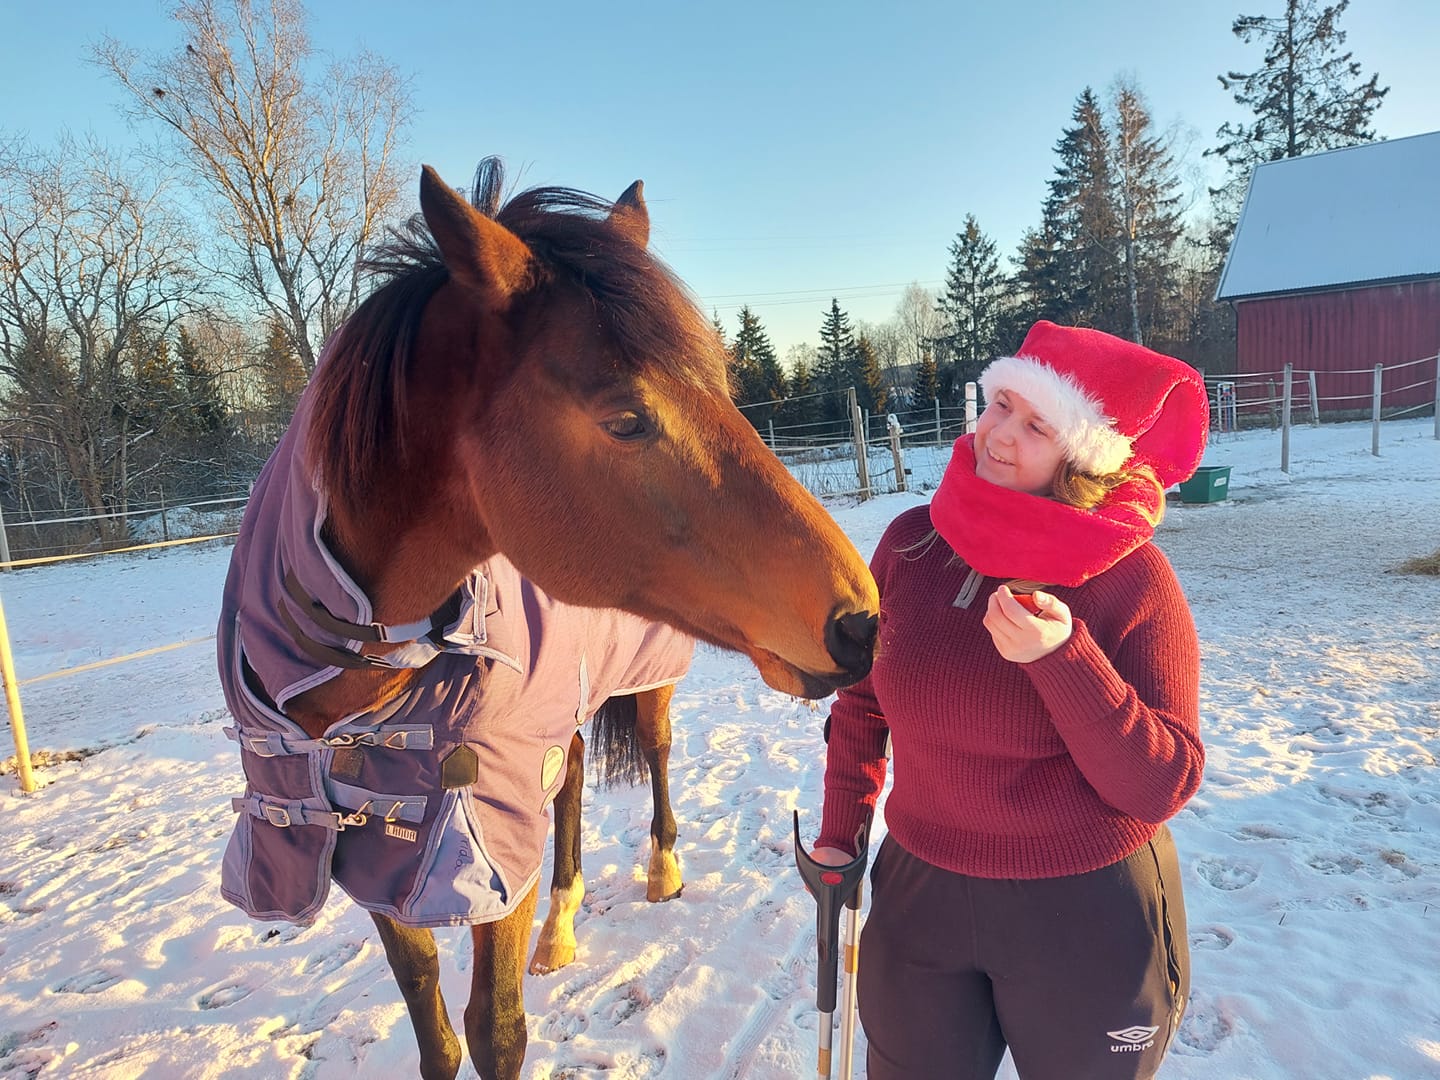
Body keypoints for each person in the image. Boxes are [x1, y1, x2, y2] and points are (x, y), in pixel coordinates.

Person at [812, 320, 1211, 1080]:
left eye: (1037, 425)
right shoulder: (911, 545)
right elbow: (864, 706)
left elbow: (1161, 782)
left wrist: (1064, 660)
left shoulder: (1132, 579)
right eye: (1000, 406)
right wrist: (842, 832)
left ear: (1080, 457)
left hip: (1084, 910)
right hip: (921, 894)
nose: (1000, 434)